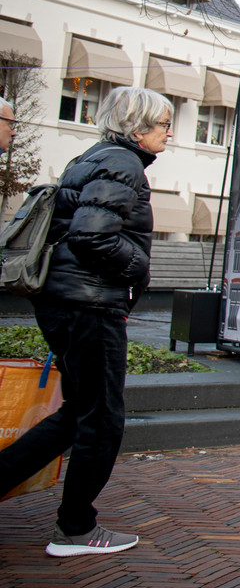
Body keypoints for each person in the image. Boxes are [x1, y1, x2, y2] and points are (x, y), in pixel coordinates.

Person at [0, 86, 173, 558]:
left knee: (76, 414)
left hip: (65, 302)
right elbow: (93, 237)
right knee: (101, 421)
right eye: (162, 124)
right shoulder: (124, 163)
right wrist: (139, 267)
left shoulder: (92, 158)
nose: (169, 132)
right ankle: (75, 530)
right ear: (136, 129)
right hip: (90, 306)